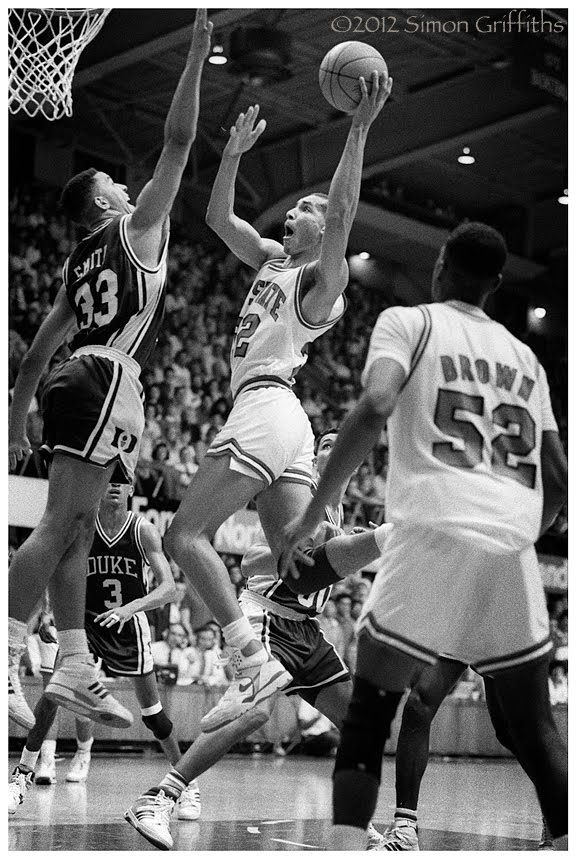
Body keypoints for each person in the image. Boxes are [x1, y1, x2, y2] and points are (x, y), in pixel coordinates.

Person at [282, 222, 568, 848]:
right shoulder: (529, 360)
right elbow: (559, 478)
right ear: (496, 284)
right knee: (533, 724)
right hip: (510, 554)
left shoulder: (409, 323)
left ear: (440, 267)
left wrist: (312, 512)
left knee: (370, 714)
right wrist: (529, 530)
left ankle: (352, 839)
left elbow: (377, 404)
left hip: (434, 534)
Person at [163, 71, 393, 733]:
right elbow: (217, 219)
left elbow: (345, 213)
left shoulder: (323, 284)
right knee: (295, 565)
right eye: (294, 210)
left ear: (324, 233)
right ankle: (384, 548)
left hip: (267, 405)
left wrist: (358, 128)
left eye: (305, 210)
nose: (292, 214)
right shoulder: (270, 257)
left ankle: (249, 660)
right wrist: (231, 156)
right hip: (285, 420)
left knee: (184, 534)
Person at [8, 10, 213, 731]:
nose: (131, 190)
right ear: (103, 204)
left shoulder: (72, 265)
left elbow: (35, 356)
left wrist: (13, 427)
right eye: (117, 187)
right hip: (106, 378)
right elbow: (179, 142)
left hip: (78, 377)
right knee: (62, 521)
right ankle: (6, 649)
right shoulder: (133, 229)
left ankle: (71, 661)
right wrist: (193, 55)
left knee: (82, 528)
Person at [124, 429, 394, 850]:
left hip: (305, 627)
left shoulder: (340, 513)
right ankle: (159, 798)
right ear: (315, 457)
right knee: (254, 714)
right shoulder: (300, 497)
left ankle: (356, 825)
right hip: (265, 615)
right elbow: (251, 561)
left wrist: (340, 542)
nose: (332, 450)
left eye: (340, 445)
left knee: (363, 727)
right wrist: (305, 542)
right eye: (324, 444)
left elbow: (323, 569)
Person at [9, 482, 201, 821]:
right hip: (83, 623)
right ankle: (22, 774)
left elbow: (170, 589)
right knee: (52, 695)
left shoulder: (142, 530)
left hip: (128, 626)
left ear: (130, 489)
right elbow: (56, 569)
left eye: (122, 480)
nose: (114, 484)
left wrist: (130, 609)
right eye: (109, 477)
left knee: (153, 714)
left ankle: (187, 784)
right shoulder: (85, 526)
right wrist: (50, 611)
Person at [372, 657, 555, 851]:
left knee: (508, 730)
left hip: (500, 631)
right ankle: (405, 832)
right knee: (419, 703)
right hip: (462, 629)